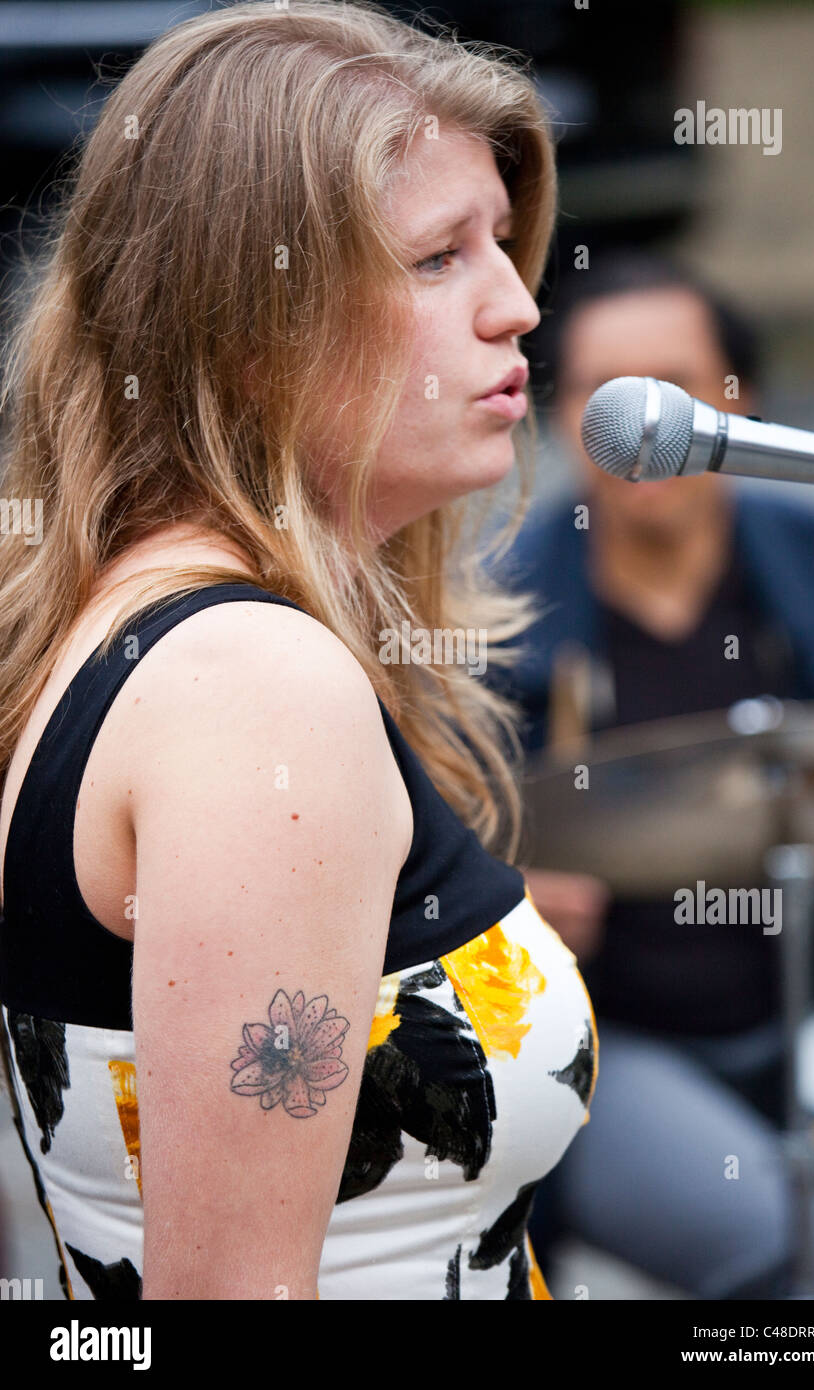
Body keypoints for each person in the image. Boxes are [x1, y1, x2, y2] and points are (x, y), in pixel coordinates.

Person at [0, 0, 599, 1301]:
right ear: (252, 315)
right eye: (438, 258)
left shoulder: (150, 625)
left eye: (502, 244)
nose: (517, 308)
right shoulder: (258, 694)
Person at [490, 251, 814, 1298]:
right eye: (609, 396)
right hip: (616, 1043)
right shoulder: (487, 621)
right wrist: (499, 909)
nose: (645, 430)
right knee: (801, 1253)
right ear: (563, 415)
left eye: (676, 389)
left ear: (735, 400)